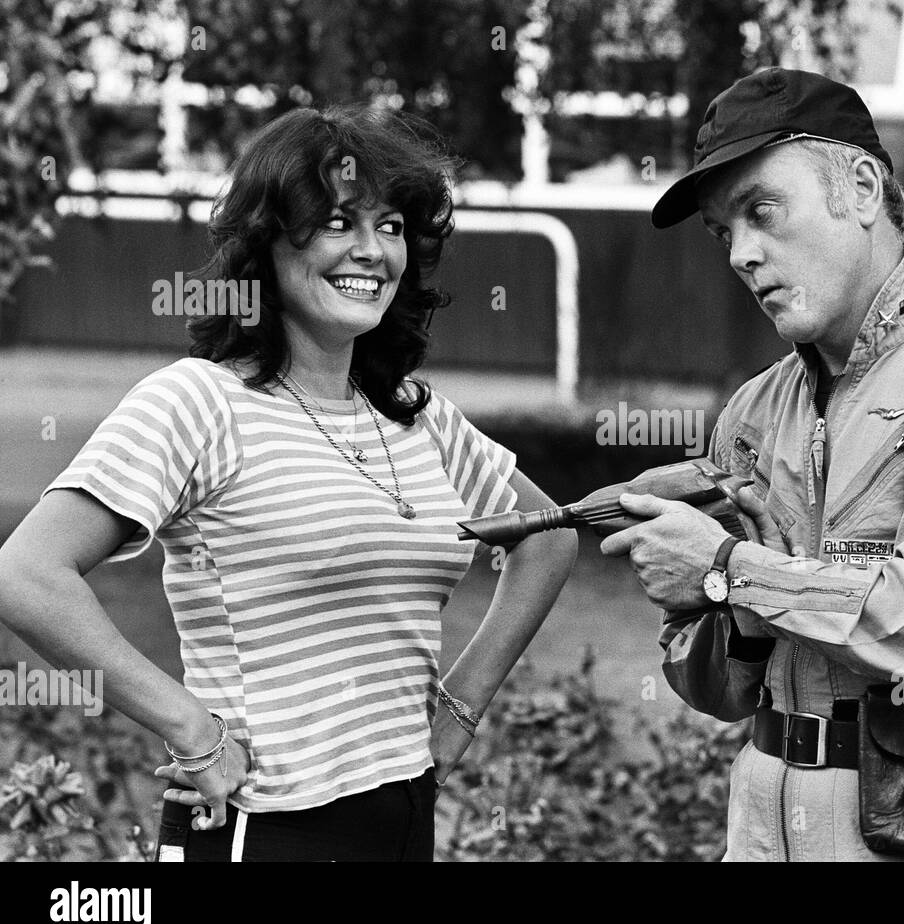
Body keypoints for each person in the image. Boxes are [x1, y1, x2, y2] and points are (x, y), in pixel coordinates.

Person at [0, 104, 577, 861]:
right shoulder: (199, 403)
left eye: (392, 226)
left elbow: (550, 536)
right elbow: (26, 574)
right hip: (265, 829)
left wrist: (460, 708)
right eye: (338, 222)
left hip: (404, 815)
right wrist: (192, 729)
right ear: (267, 242)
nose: (372, 251)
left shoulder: (419, 418)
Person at [601, 68, 904, 861]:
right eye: (723, 231)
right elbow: (721, 695)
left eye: (763, 211)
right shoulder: (756, 411)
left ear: (862, 187)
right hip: (763, 829)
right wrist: (721, 607)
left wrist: (729, 567)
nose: (741, 253)